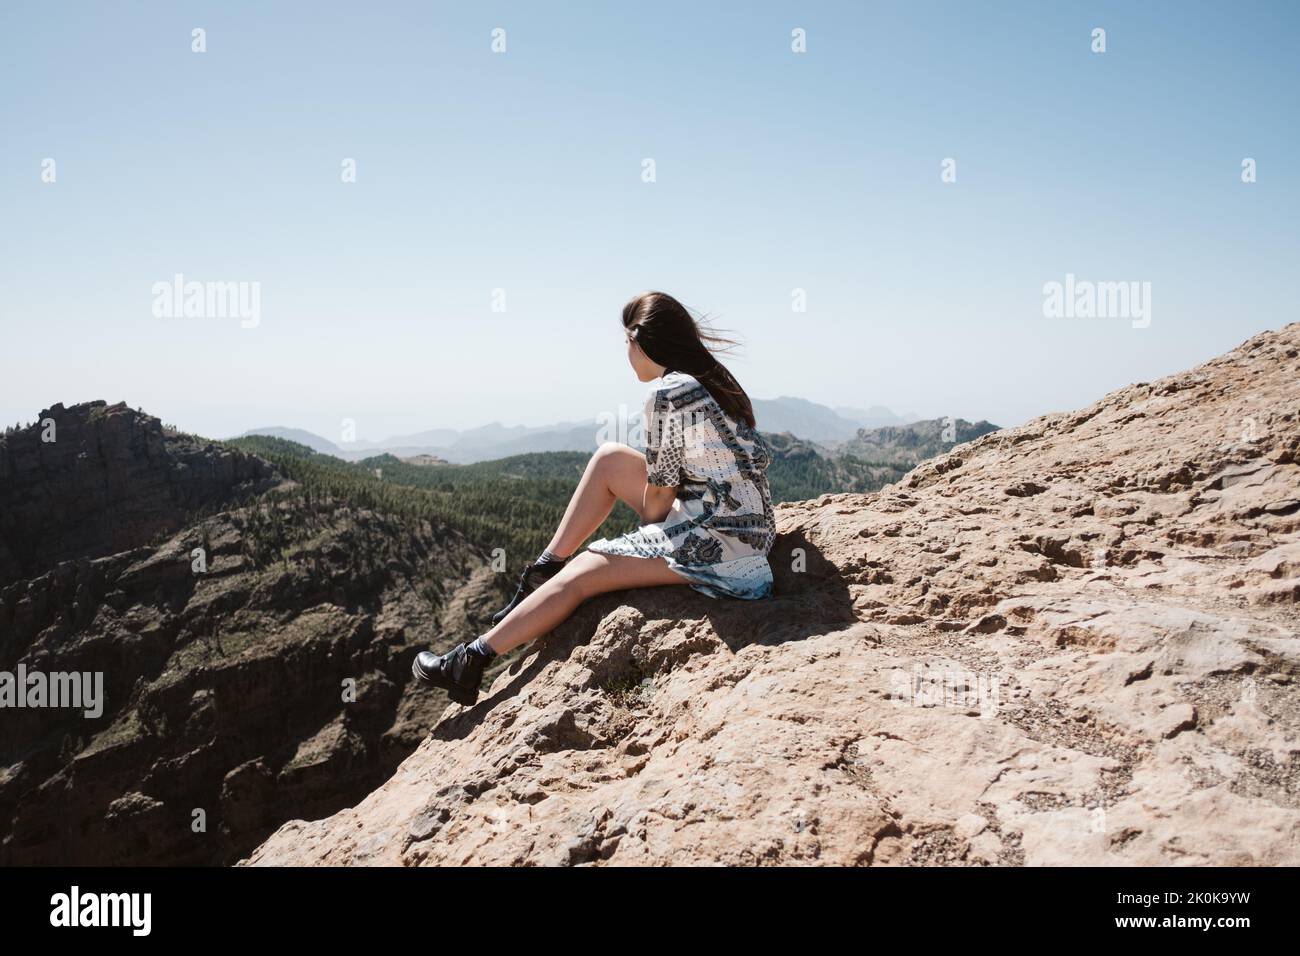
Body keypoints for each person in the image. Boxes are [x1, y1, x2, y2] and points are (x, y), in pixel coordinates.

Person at [412, 290, 777, 705]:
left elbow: (660, 492)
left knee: (588, 569)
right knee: (610, 459)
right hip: (746, 525)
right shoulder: (713, 377)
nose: (626, 352)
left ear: (642, 341)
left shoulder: (667, 394)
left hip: (727, 549)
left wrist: (638, 549)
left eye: (627, 342)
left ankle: (469, 660)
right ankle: (545, 569)